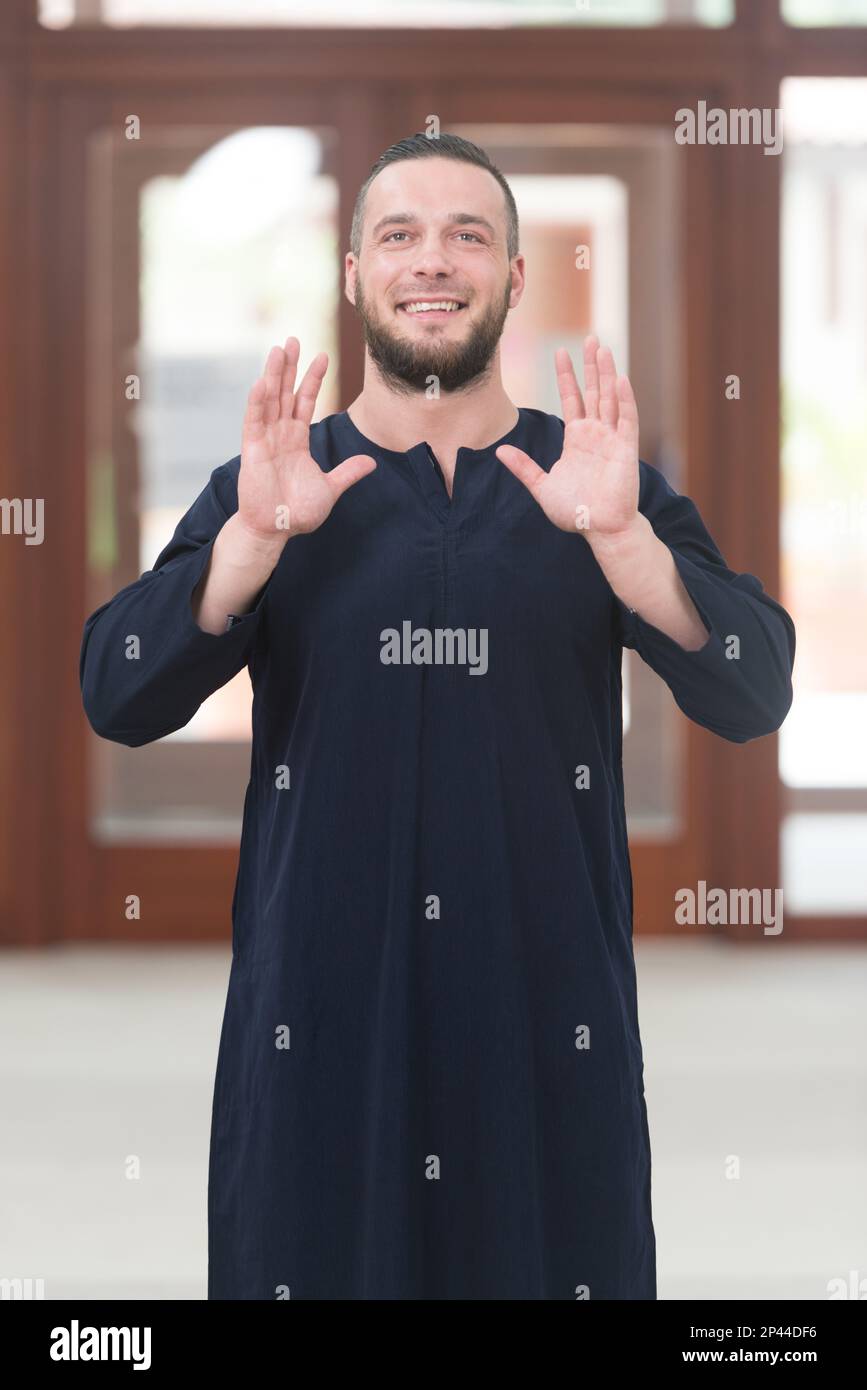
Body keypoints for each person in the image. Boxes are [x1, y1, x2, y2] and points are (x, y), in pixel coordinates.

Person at [79, 132, 796, 1300]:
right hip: (320, 1014)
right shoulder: (271, 483)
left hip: (544, 1010)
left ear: (514, 275)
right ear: (354, 272)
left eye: (470, 235)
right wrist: (249, 549)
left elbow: (756, 685)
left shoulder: (596, 483)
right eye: (400, 234)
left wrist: (627, 547)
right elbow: (117, 690)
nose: (434, 261)